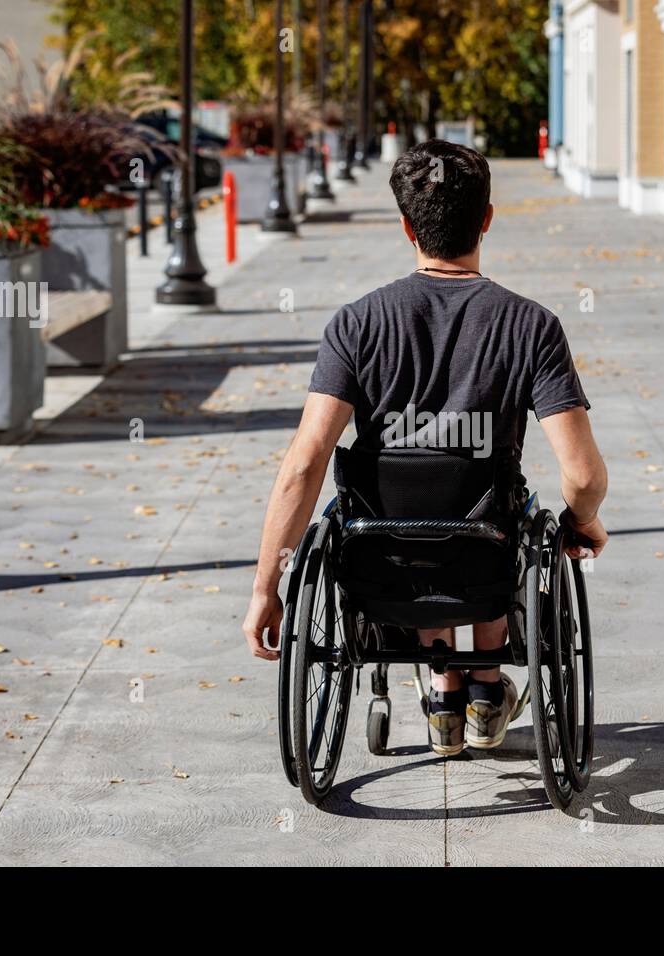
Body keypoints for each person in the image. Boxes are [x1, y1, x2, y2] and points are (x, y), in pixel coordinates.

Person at [242, 140, 608, 756]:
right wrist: (583, 520)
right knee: (502, 520)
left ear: (407, 227)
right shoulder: (532, 326)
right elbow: (583, 474)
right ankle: (487, 688)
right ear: (487, 218)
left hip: (383, 556)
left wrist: (264, 589)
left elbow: (303, 465)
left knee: (409, 516)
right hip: (484, 558)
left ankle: (443, 693)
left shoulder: (356, 324)